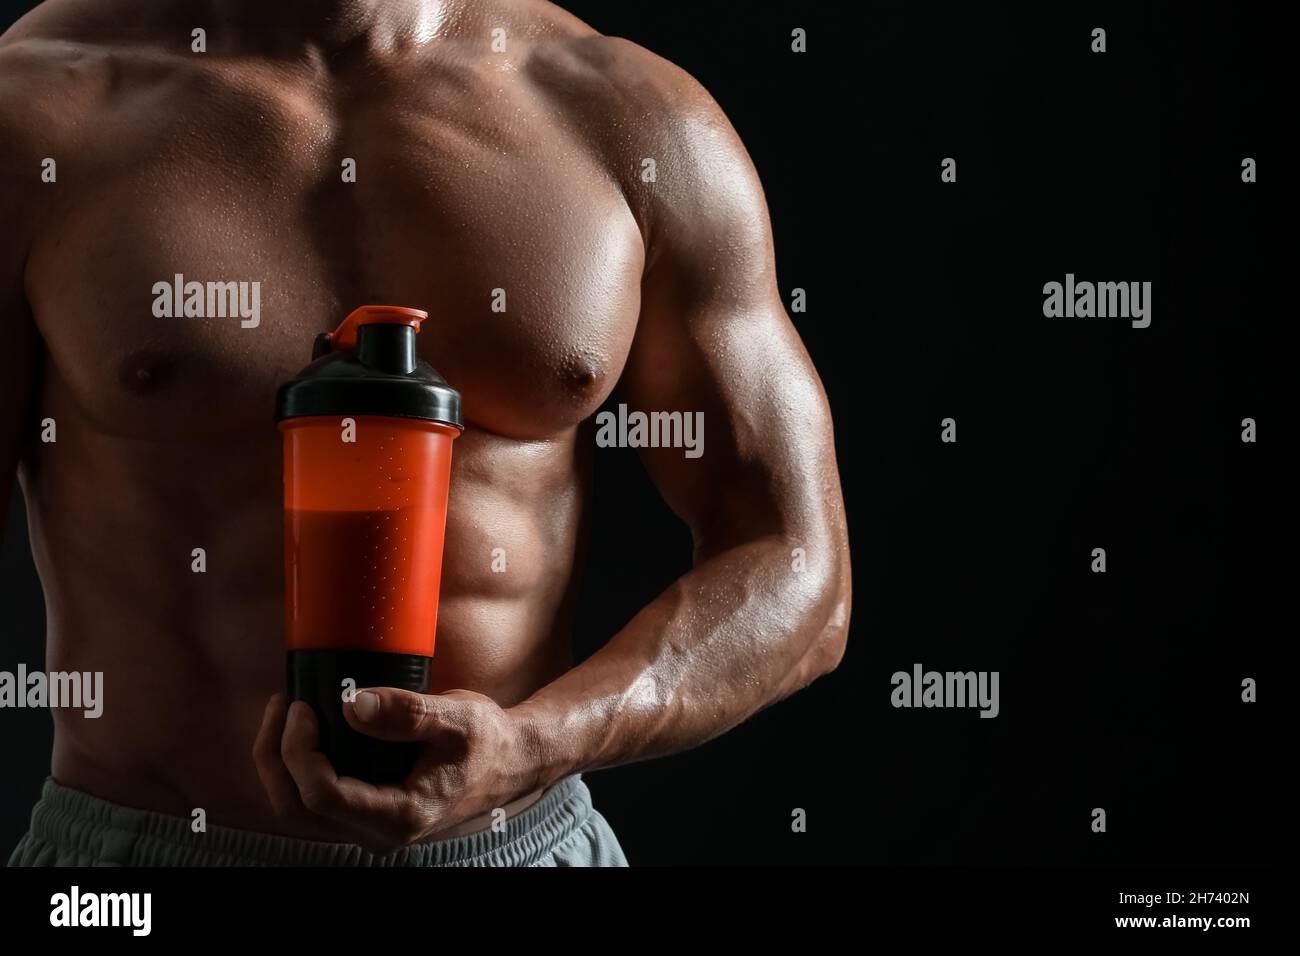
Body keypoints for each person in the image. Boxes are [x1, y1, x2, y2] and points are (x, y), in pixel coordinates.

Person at [0, 0, 850, 866]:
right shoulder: (36, 112)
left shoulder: (627, 117)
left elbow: (798, 563)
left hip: (523, 846)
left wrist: (544, 743)